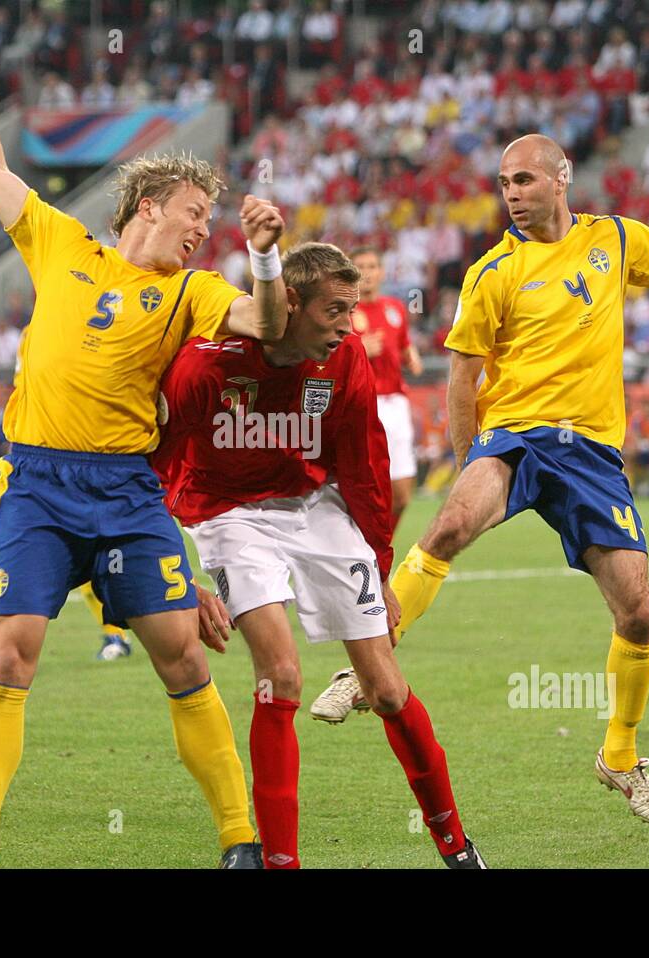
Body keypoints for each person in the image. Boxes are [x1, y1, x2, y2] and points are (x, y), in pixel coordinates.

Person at [313, 134, 649, 826]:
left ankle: (619, 757)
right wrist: (466, 456)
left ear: (562, 179)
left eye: (525, 179)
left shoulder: (616, 241)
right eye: (504, 181)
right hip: (515, 436)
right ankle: (367, 667)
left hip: (591, 452)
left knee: (640, 611)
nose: (511, 193)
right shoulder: (491, 272)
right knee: (448, 525)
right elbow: (464, 374)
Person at [0, 1, 288, 870]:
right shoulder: (61, 244)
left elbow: (268, 325)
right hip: (39, 483)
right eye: (197, 210)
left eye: (212, 217)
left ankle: (241, 839)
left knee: (180, 659)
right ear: (152, 203)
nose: (206, 226)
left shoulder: (195, 292)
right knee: (12, 653)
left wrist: (268, 259)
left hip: (126, 491)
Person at [152, 242, 483, 869]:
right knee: (282, 676)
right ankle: (282, 863)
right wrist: (177, 569)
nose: (347, 325)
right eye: (335, 310)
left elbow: (364, 465)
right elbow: (154, 469)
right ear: (291, 303)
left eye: (352, 310)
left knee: (385, 689)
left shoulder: (347, 359)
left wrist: (380, 568)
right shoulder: (205, 365)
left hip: (314, 505)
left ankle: (457, 846)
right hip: (228, 514)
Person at [350, 246, 424, 529]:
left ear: (381, 272)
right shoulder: (342, 312)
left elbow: (404, 345)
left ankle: (379, 554)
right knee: (365, 489)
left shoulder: (395, 309)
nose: (366, 273)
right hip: (363, 405)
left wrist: (411, 355)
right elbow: (324, 359)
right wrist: (359, 349)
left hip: (396, 404)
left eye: (372, 267)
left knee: (402, 494)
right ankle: (367, 558)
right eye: (360, 267)